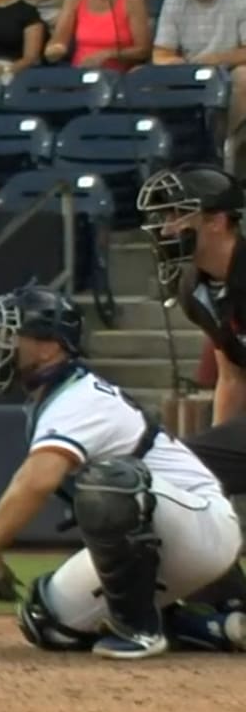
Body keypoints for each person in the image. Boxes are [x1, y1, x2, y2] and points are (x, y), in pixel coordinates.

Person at [0, 284, 246, 659]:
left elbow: (37, 480)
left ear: (48, 347)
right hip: (164, 534)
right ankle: (213, 629)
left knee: (108, 486)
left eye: (9, 335)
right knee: (46, 621)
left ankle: (140, 631)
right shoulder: (53, 398)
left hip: (202, 527)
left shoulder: (82, 398)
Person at [139, 164, 246, 503]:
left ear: (216, 221)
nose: (167, 229)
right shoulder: (194, 288)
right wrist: (217, 476)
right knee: (173, 470)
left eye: (178, 217)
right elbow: (231, 378)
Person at [151, 0, 246, 176]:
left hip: (227, 70)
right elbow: (160, 53)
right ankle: (161, 154)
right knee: (142, 80)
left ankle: (225, 146)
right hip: (187, 72)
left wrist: (216, 58)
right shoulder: (173, 2)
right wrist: (173, 63)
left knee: (244, 77)